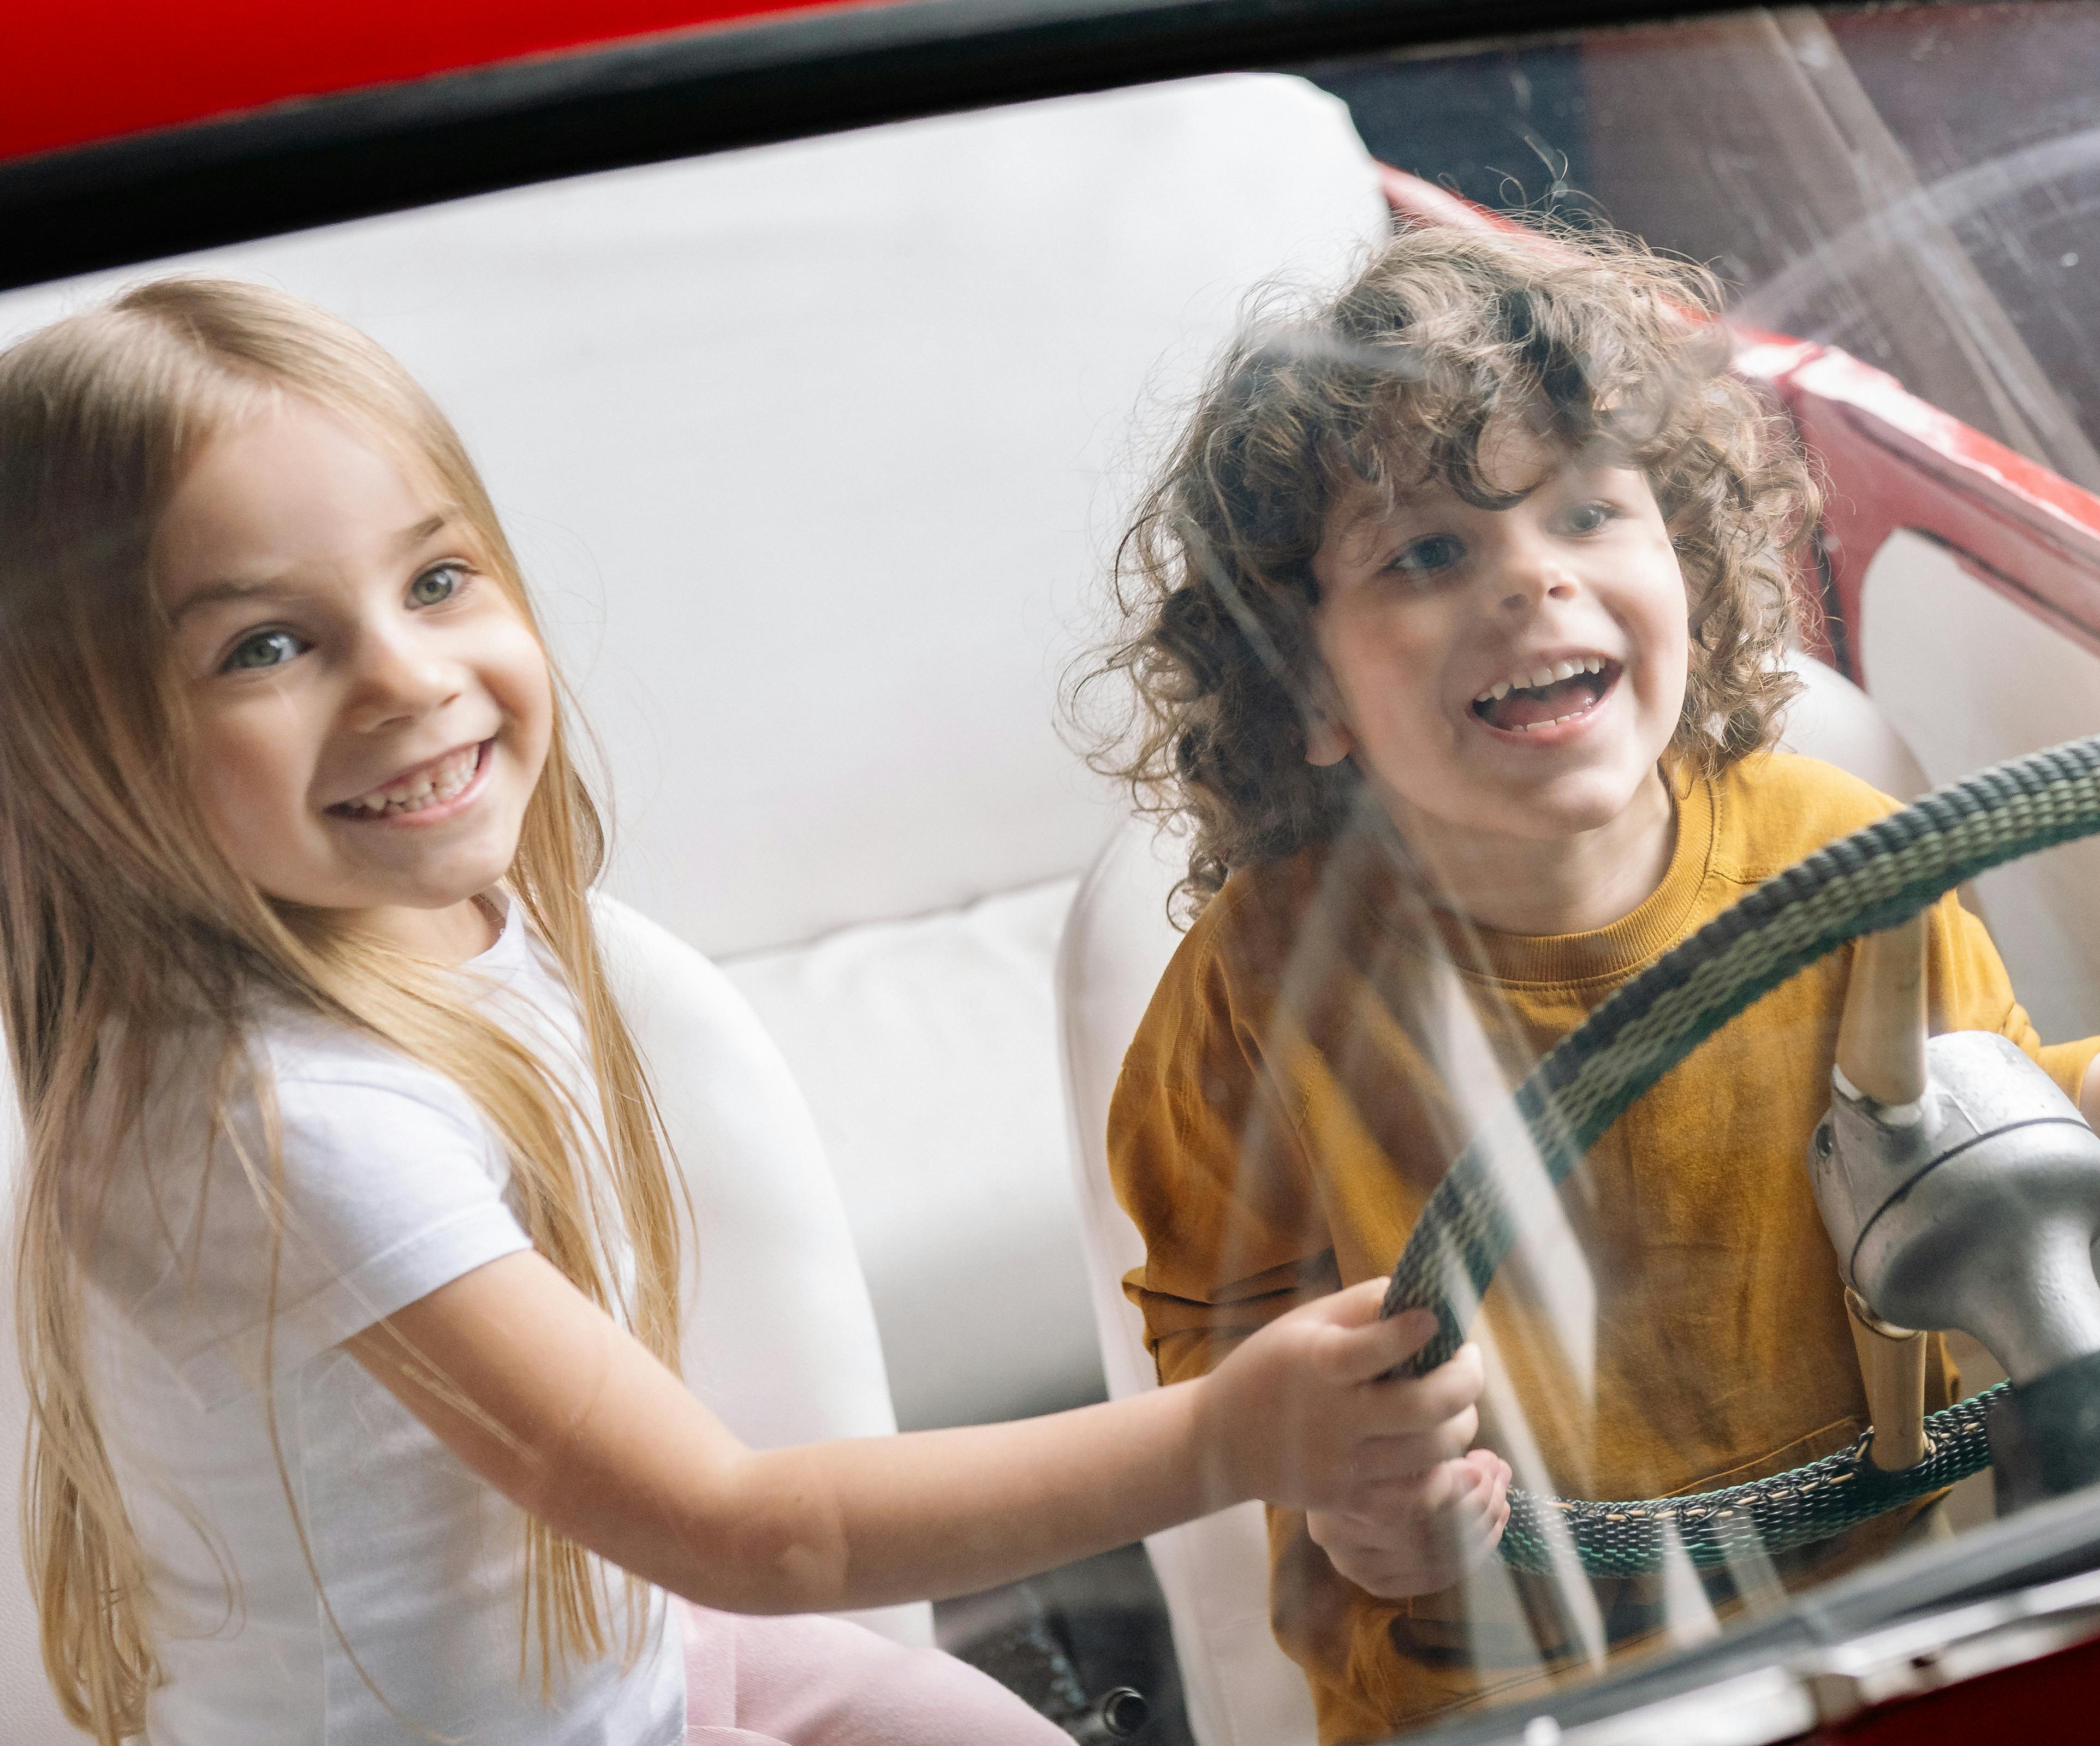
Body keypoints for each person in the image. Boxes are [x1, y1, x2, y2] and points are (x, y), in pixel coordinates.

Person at [0, 278, 1490, 1746]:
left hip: (652, 1665)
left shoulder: (444, 923)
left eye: (437, 579)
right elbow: (743, 1534)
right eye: (266, 645)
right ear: (81, 754)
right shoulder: (281, 1130)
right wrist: (1231, 1437)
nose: (406, 674)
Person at [1092, 224, 2100, 1741]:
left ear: (1688, 568)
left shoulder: (1843, 860)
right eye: (1430, 552)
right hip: (1494, 1676)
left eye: (1587, 512)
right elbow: (1224, 1335)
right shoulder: (1259, 983)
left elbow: (2008, 1146)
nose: (1531, 583)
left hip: (1889, 1616)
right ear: (1305, 687)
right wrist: (1356, 1506)